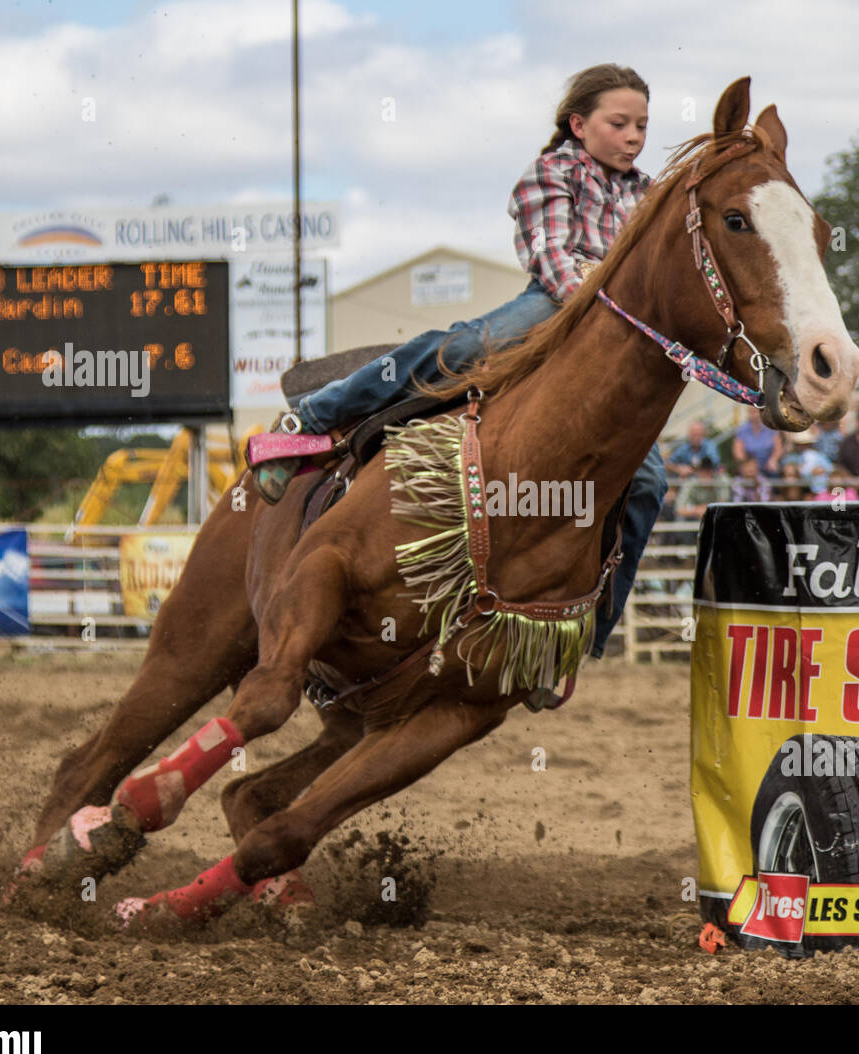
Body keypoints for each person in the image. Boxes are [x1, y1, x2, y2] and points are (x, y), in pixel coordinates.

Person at [253, 63, 660, 669]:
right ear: (579, 124)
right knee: (460, 349)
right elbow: (552, 255)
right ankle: (314, 417)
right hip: (561, 303)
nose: (633, 136)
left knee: (648, 481)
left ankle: (587, 638)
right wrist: (603, 309)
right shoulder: (551, 174)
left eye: (642, 126)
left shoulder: (647, 193)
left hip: (610, 336)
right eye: (619, 123)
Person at [731, 405, 782, 476]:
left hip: (768, 465)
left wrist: (773, 460)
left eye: (756, 412)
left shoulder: (771, 428)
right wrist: (748, 464)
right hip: (749, 463)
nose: (754, 415)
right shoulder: (742, 430)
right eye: (751, 412)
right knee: (747, 471)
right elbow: (738, 452)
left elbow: (778, 449)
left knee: (775, 471)